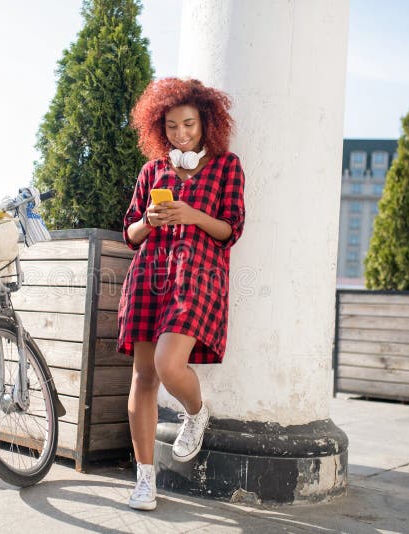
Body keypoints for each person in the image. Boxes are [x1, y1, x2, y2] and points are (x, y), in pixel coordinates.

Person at [118, 78, 246, 511]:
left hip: (197, 278)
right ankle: (145, 479)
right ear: (160, 128)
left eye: (188, 124)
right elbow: (131, 233)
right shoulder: (152, 171)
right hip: (148, 276)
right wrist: (151, 221)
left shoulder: (227, 166)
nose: (180, 134)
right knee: (143, 377)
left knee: (168, 364)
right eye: (171, 126)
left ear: (205, 122)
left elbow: (231, 230)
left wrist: (191, 214)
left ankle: (196, 412)